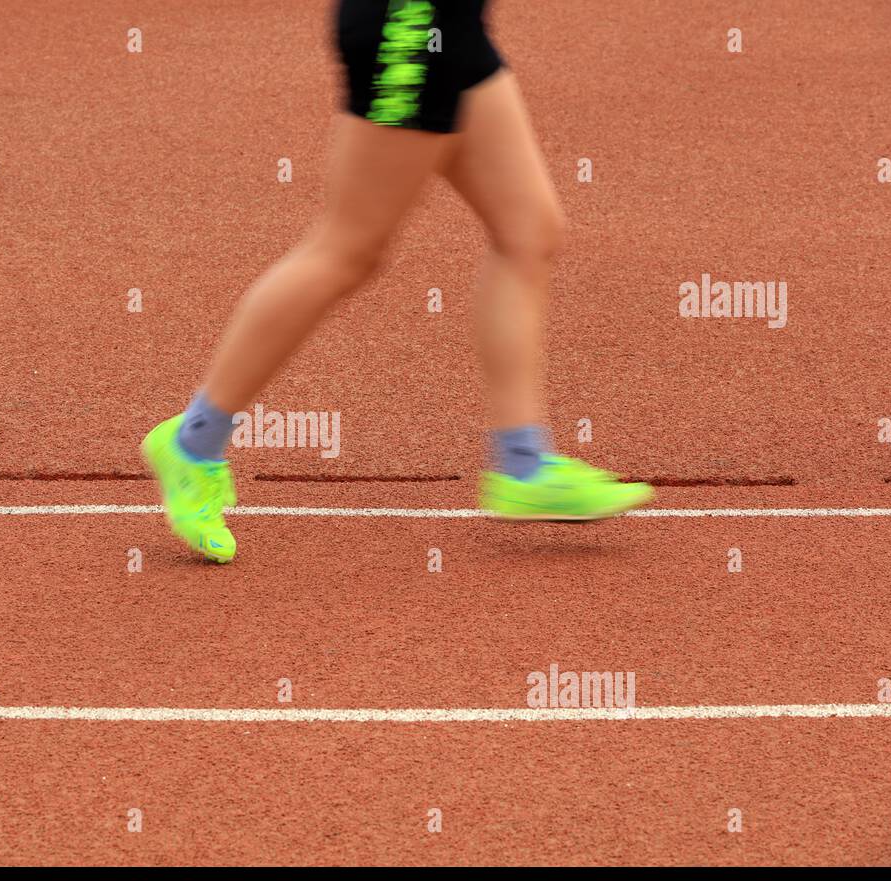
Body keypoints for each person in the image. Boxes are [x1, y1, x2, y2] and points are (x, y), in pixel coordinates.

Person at [142, 0, 652, 563]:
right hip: (410, 28)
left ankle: (525, 464)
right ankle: (194, 442)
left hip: (450, 26)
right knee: (348, 249)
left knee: (528, 231)